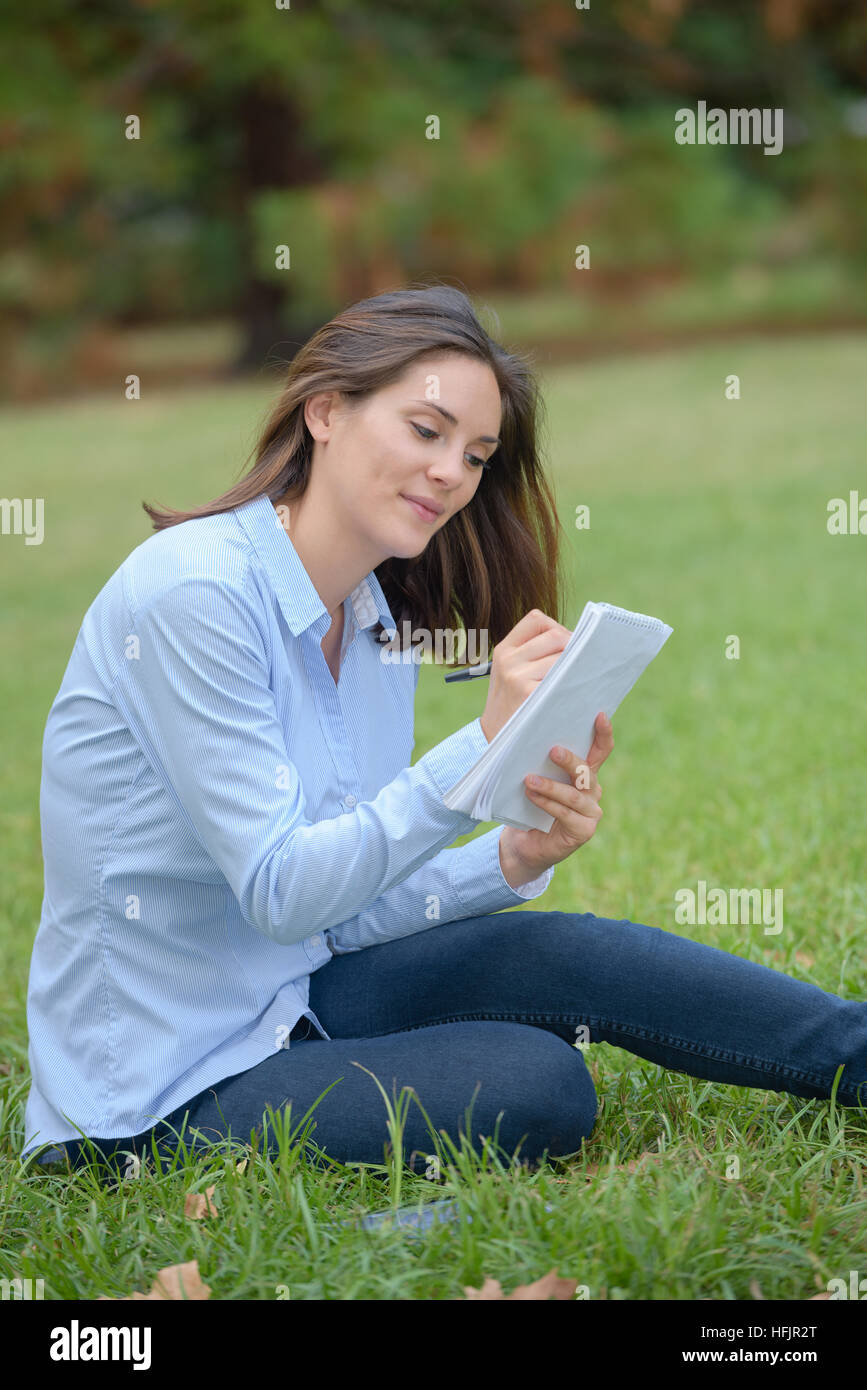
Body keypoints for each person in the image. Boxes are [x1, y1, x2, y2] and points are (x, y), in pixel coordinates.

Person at [22, 283, 866, 1184]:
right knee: (537, 1081)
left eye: (474, 454)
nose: (451, 474)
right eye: (426, 432)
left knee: (568, 949)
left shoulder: (371, 616)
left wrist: (509, 857)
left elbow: (337, 911)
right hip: (158, 1094)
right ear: (325, 413)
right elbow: (281, 891)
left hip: (294, 992)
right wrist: (478, 748)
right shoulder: (195, 597)